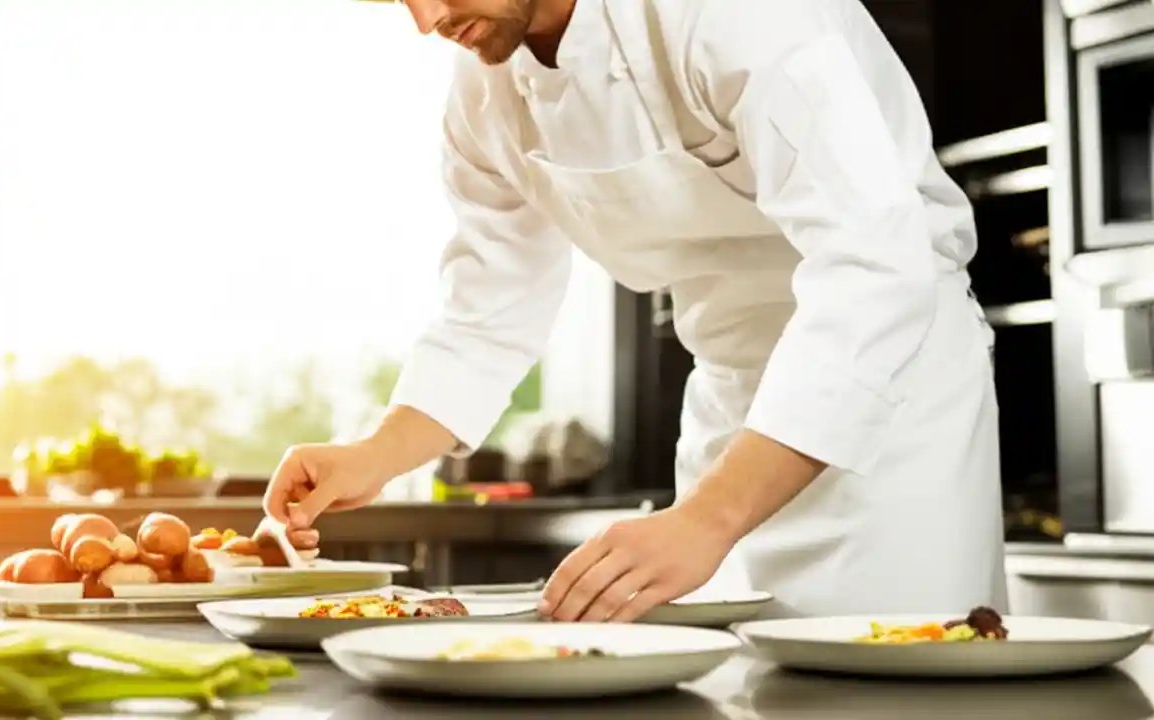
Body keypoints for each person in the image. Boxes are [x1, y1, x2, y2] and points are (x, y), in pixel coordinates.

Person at [263, 0, 1007, 621]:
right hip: (730, 404)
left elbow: (875, 268)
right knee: (737, 685)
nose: (427, 18)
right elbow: (486, 312)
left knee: (906, 680)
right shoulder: (483, 93)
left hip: (897, 406)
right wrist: (374, 455)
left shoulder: (736, 13)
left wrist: (708, 519)